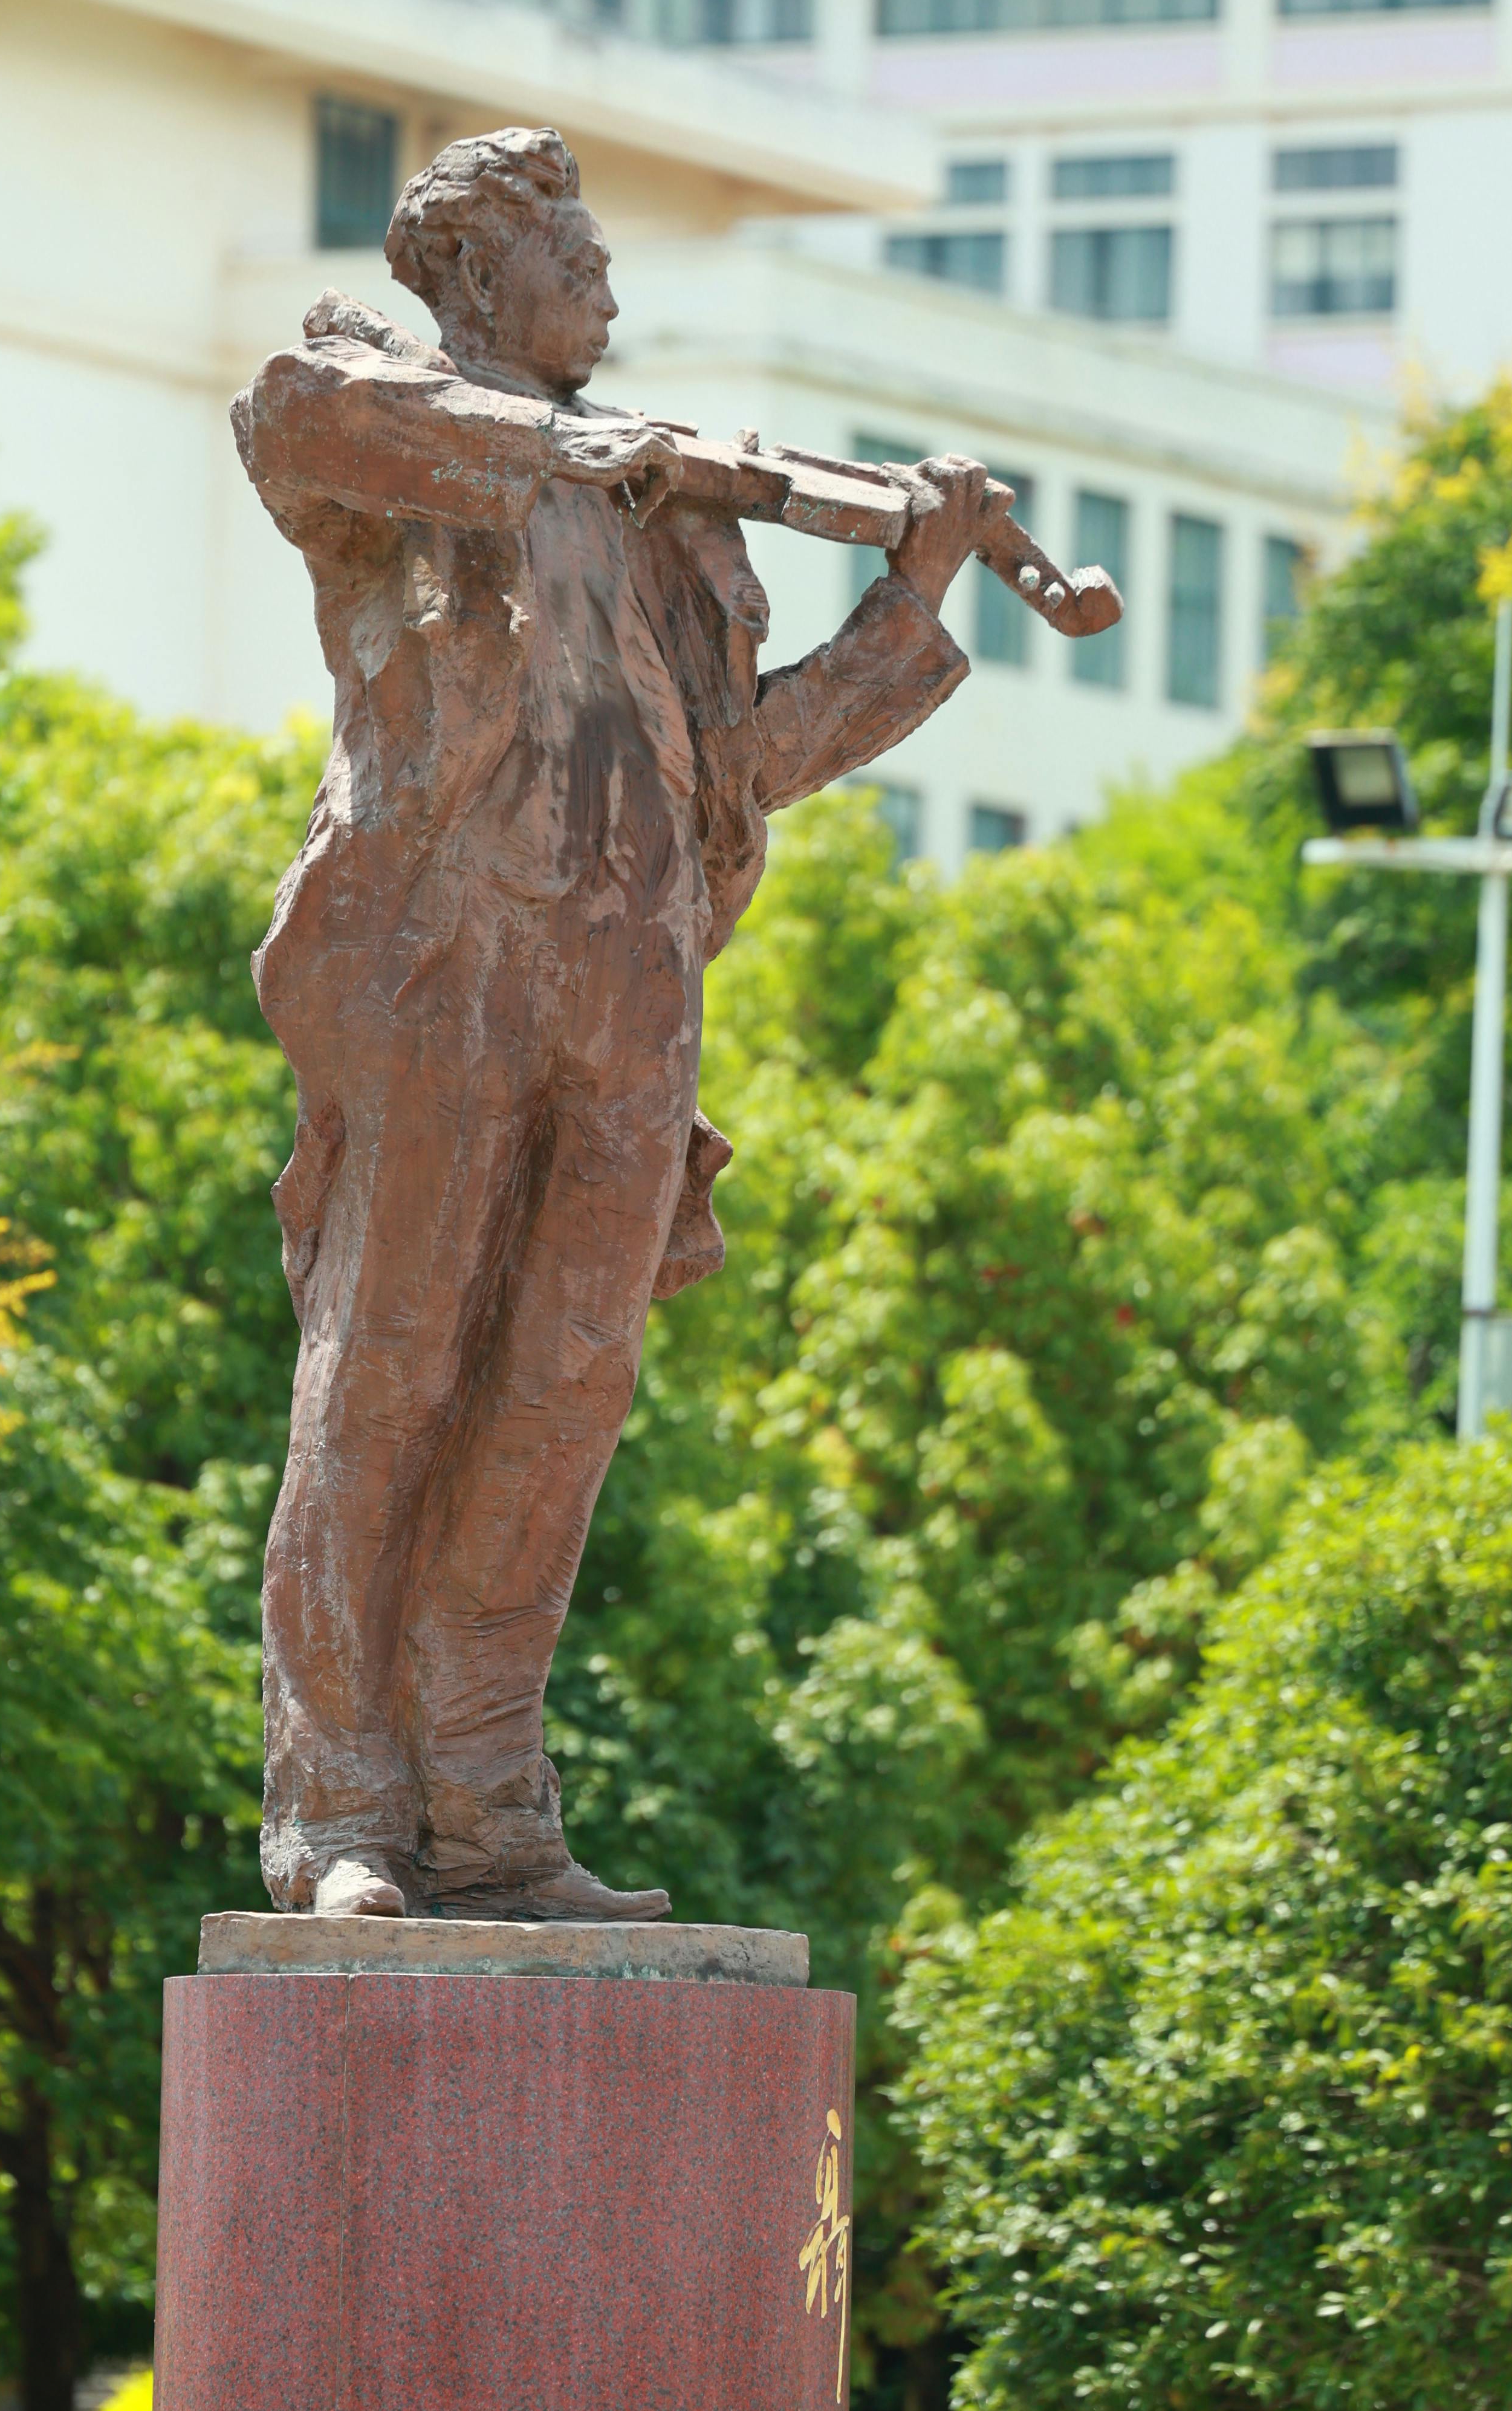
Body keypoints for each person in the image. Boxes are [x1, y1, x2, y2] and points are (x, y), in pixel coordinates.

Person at [233, 125, 987, 1920]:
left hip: (631, 980)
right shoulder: (388, 423)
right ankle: (339, 1811)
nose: (614, 296)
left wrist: (916, 598)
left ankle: (491, 1814)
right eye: (580, 266)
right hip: (446, 960)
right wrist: (577, 447)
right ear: (482, 278)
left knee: (566, 1383)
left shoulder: (675, 518)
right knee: (394, 1360)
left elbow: (750, 768)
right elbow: (301, 416)